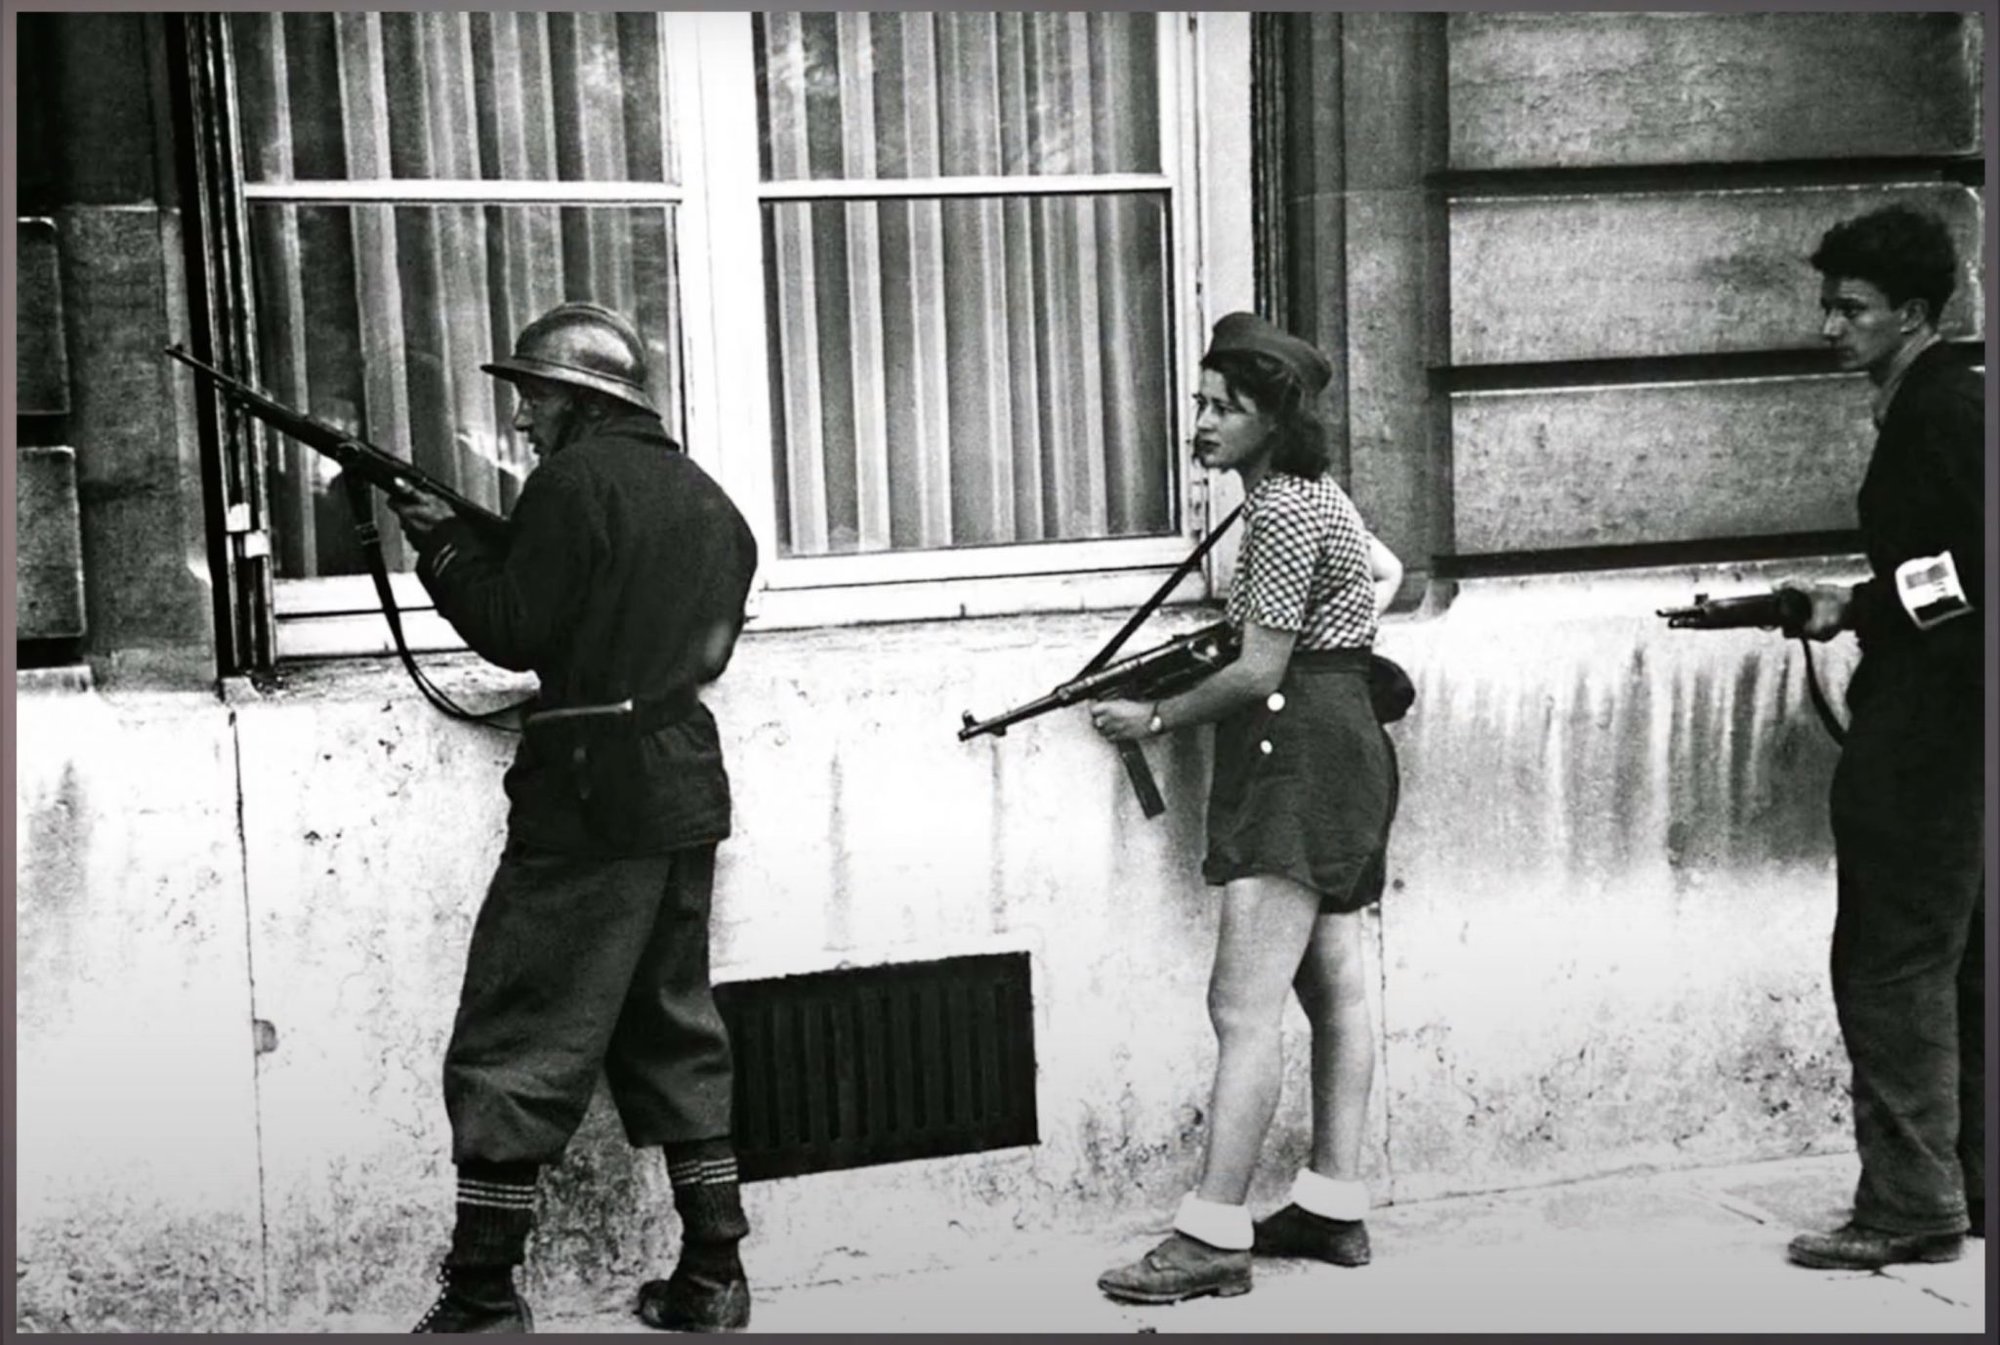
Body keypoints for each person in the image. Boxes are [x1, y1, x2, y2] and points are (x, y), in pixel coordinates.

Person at [387, 302, 761, 1332]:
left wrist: (440, 550)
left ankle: (479, 1298)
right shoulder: (705, 497)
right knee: (672, 1025)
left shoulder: (570, 483)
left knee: (518, 1036)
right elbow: (618, 612)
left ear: (584, 402)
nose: (519, 422)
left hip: (589, 796)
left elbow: (519, 630)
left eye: (532, 398)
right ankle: (714, 1275)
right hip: (682, 781)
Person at [1088, 312, 1403, 1304]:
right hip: (1344, 741)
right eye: (1199, 402)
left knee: (1241, 1007)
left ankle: (1213, 1232)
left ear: (1273, 417)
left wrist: (1153, 716)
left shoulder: (1275, 512)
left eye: (1224, 407)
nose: (1201, 422)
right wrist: (1330, 634)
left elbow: (1258, 666)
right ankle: (1333, 1203)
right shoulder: (1320, 495)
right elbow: (1383, 576)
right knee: (1334, 990)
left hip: (1293, 755)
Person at [1777, 204, 1984, 1270]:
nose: (1828, 327)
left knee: (1888, 966)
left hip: (1929, 731)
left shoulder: (1938, 411)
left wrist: (1862, 610)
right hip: (1963, 731)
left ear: (1911, 313)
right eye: (1826, 305)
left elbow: (1964, 577)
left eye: (1850, 309)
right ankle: (1964, 1183)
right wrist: (1846, 603)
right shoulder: (1957, 397)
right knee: (1958, 963)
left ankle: (1907, 1204)